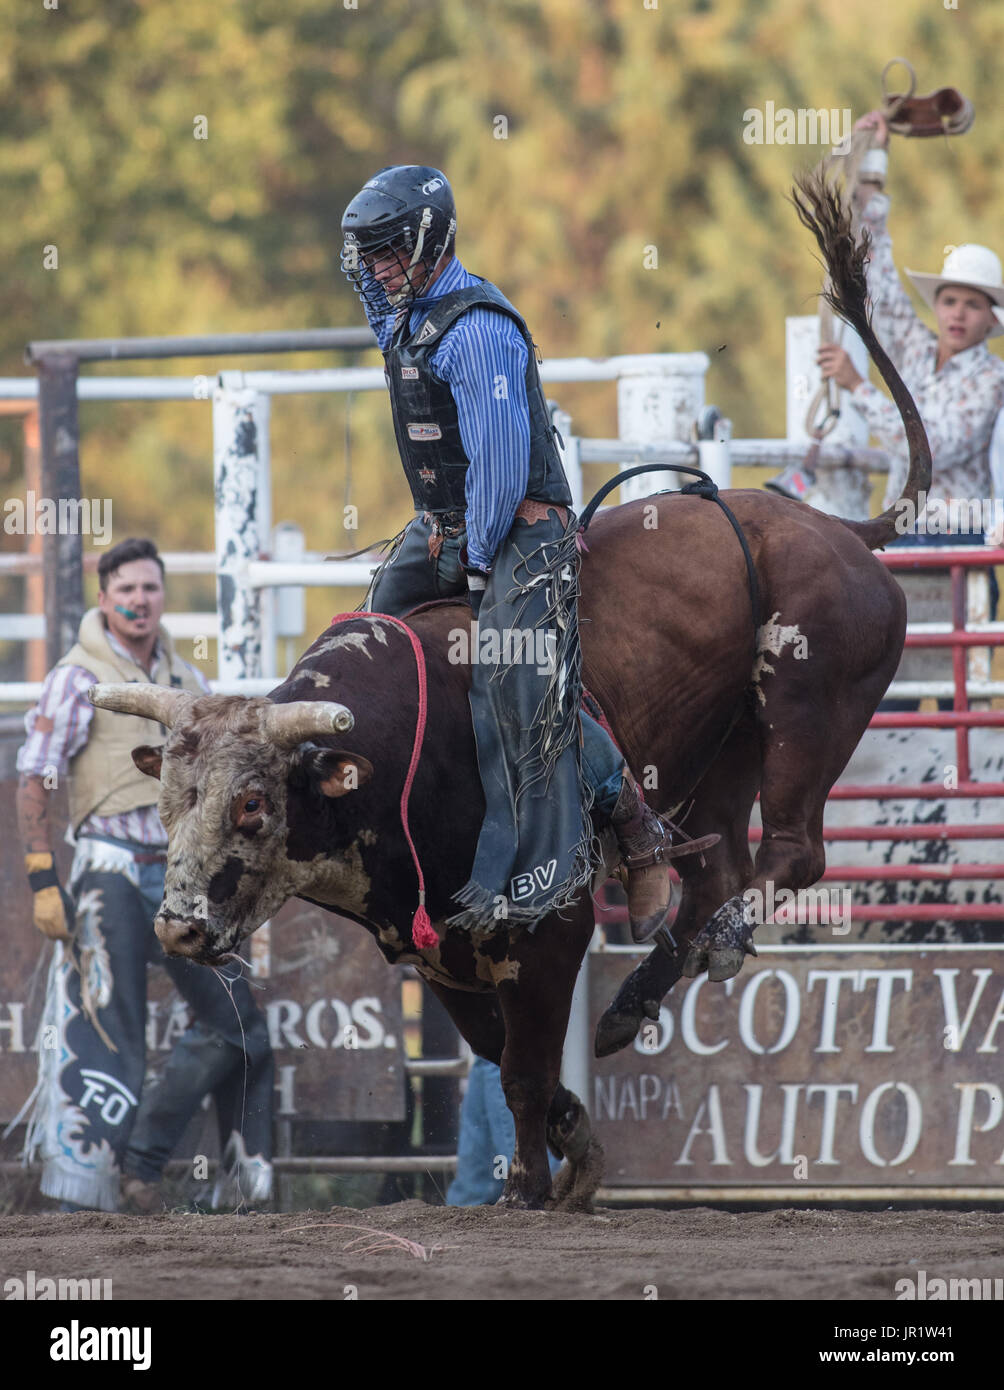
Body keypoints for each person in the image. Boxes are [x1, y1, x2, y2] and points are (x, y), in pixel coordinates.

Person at [340, 165, 712, 941]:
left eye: (387, 252)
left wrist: (473, 563)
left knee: (520, 675)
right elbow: (382, 306)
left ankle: (633, 823)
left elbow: (503, 471)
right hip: (446, 519)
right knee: (368, 642)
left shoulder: (477, 331)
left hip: (517, 526)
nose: (376, 270)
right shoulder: (407, 316)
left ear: (429, 242)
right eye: (367, 256)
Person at [14, 537, 274, 1212]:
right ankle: (88, 1195)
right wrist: (44, 878)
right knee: (112, 1037)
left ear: (162, 596)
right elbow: (35, 781)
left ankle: (150, 1164)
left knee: (237, 1024)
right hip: (107, 873)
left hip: (183, 881)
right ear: (104, 600)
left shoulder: (186, 681)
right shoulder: (76, 678)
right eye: (125, 589)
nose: (138, 600)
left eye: (149, 588)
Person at [815, 112, 1004, 709]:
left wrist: (857, 387)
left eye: (972, 305)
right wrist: (874, 170)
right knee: (891, 674)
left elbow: (934, 446)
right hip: (913, 533)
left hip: (960, 537)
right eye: (950, 300)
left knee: (951, 685)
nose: (956, 313)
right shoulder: (920, 354)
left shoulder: (993, 380)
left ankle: (944, 786)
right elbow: (879, 279)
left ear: (988, 319)